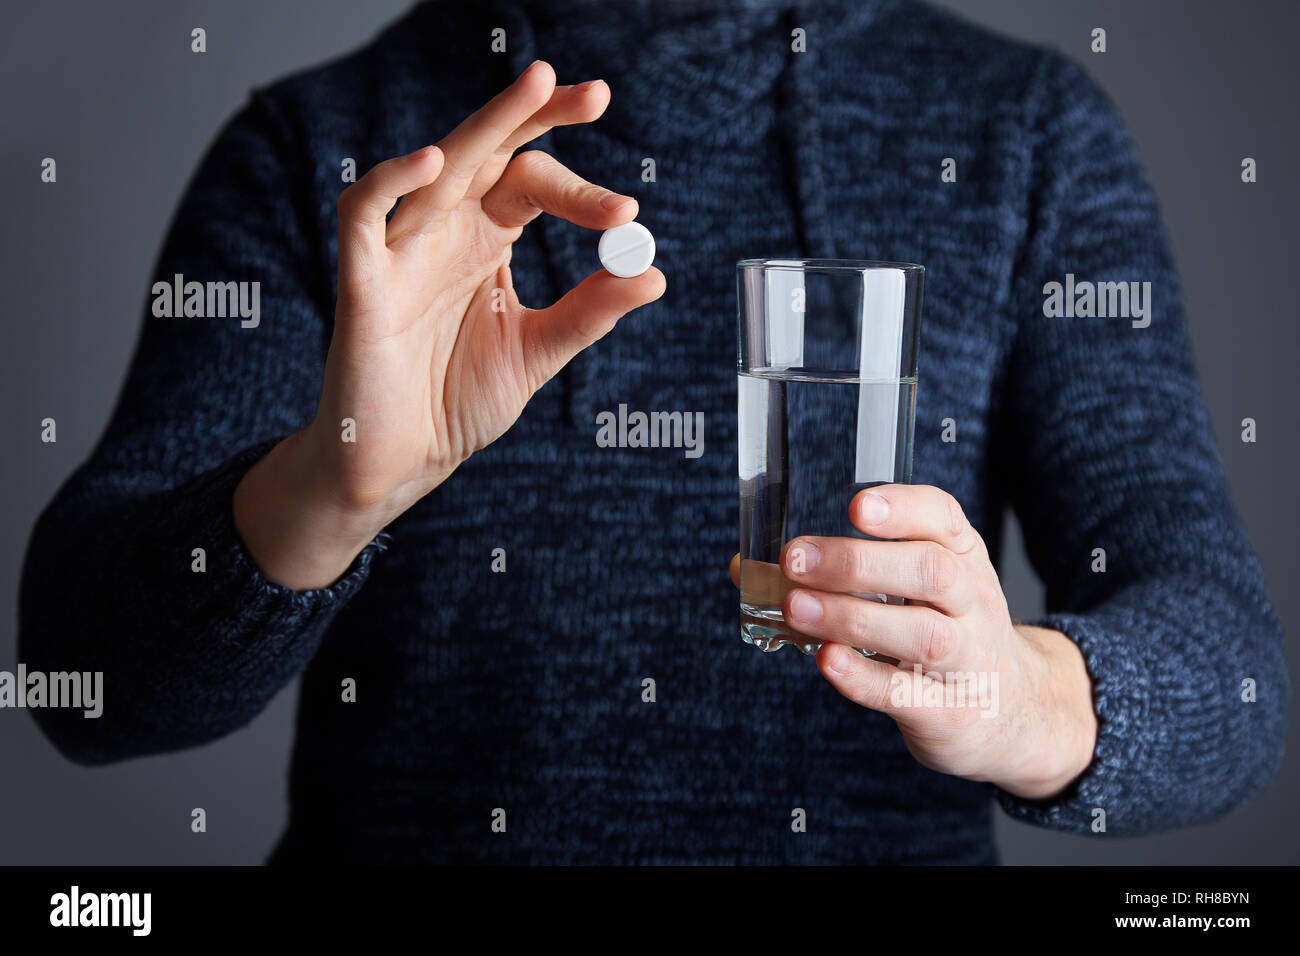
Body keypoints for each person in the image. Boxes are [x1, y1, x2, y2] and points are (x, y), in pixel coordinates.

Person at [19, 0, 1287, 864]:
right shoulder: (325, 151)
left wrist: (1032, 700)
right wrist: (321, 492)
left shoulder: (1021, 133)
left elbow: (1231, 660)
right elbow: (81, 679)